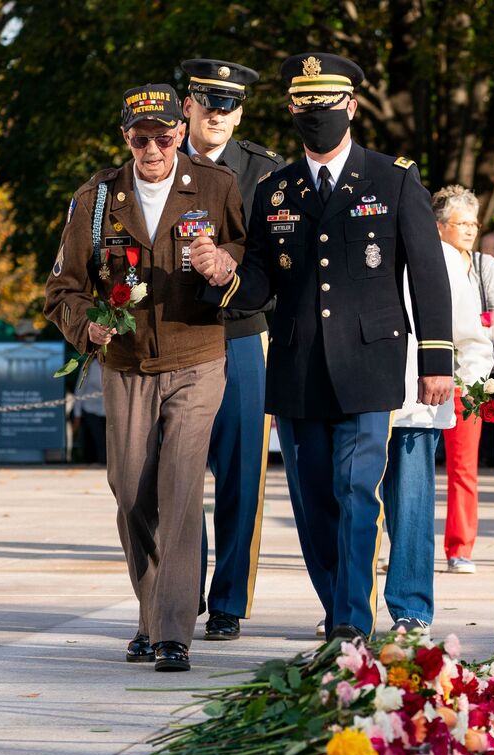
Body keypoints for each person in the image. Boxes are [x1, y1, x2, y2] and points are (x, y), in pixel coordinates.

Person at [190, 53, 453, 642]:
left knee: (357, 489)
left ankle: (350, 623)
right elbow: (260, 279)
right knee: (312, 504)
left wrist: (438, 361)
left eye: (328, 104)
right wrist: (223, 273)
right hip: (297, 365)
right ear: (290, 110)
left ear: (352, 107)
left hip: (369, 363)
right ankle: (339, 601)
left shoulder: (394, 178)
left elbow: (428, 275)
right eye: (305, 105)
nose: (317, 115)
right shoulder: (274, 189)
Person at [44, 84, 246, 672]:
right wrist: (89, 327)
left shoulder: (216, 185)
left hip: (197, 355)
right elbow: (62, 289)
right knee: (131, 490)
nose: (153, 148)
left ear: (180, 132)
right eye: (141, 139)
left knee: (181, 489)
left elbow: (244, 252)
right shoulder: (98, 197)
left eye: (163, 136)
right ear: (125, 139)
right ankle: (151, 613)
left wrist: (225, 263)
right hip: (127, 363)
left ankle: (174, 632)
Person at [180, 58, 285, 642]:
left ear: (240, 111)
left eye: (229, 105)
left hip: (244, 333)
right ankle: (181, 590)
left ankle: (228, 600)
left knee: (243, 474)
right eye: (208, 101)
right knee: (178, 473)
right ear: (189, 103)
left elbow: (276, 254)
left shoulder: (264, 171)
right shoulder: (164, 160)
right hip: (178, 335)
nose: (218, 113)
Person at [382, 188, 494, 629]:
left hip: (419, 408)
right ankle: (349, 606)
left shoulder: (447, 260)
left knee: (410, 507)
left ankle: (410, 609)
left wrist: (467, 385)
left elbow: (472, 338)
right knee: (354, 505)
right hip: (360, 398)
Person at [431, 185, 494, 574]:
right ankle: (398, 545)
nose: (468, 230)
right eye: (460, 223)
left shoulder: (485, 266)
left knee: (464, 467)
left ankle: (460, 547)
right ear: (439, 226)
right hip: (424, 377)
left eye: (473, 223)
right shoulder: (424, 260)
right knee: (408, 466)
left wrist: (481, 330)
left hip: (471, 376)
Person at [72, 355, 106, 464]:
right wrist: (77, 414)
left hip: (110, 410)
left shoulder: (116, 365)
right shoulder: (89, 366)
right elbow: (79, 390)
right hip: (91, 409)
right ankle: (101, 464)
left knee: (110, 440)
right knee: (99, 439)